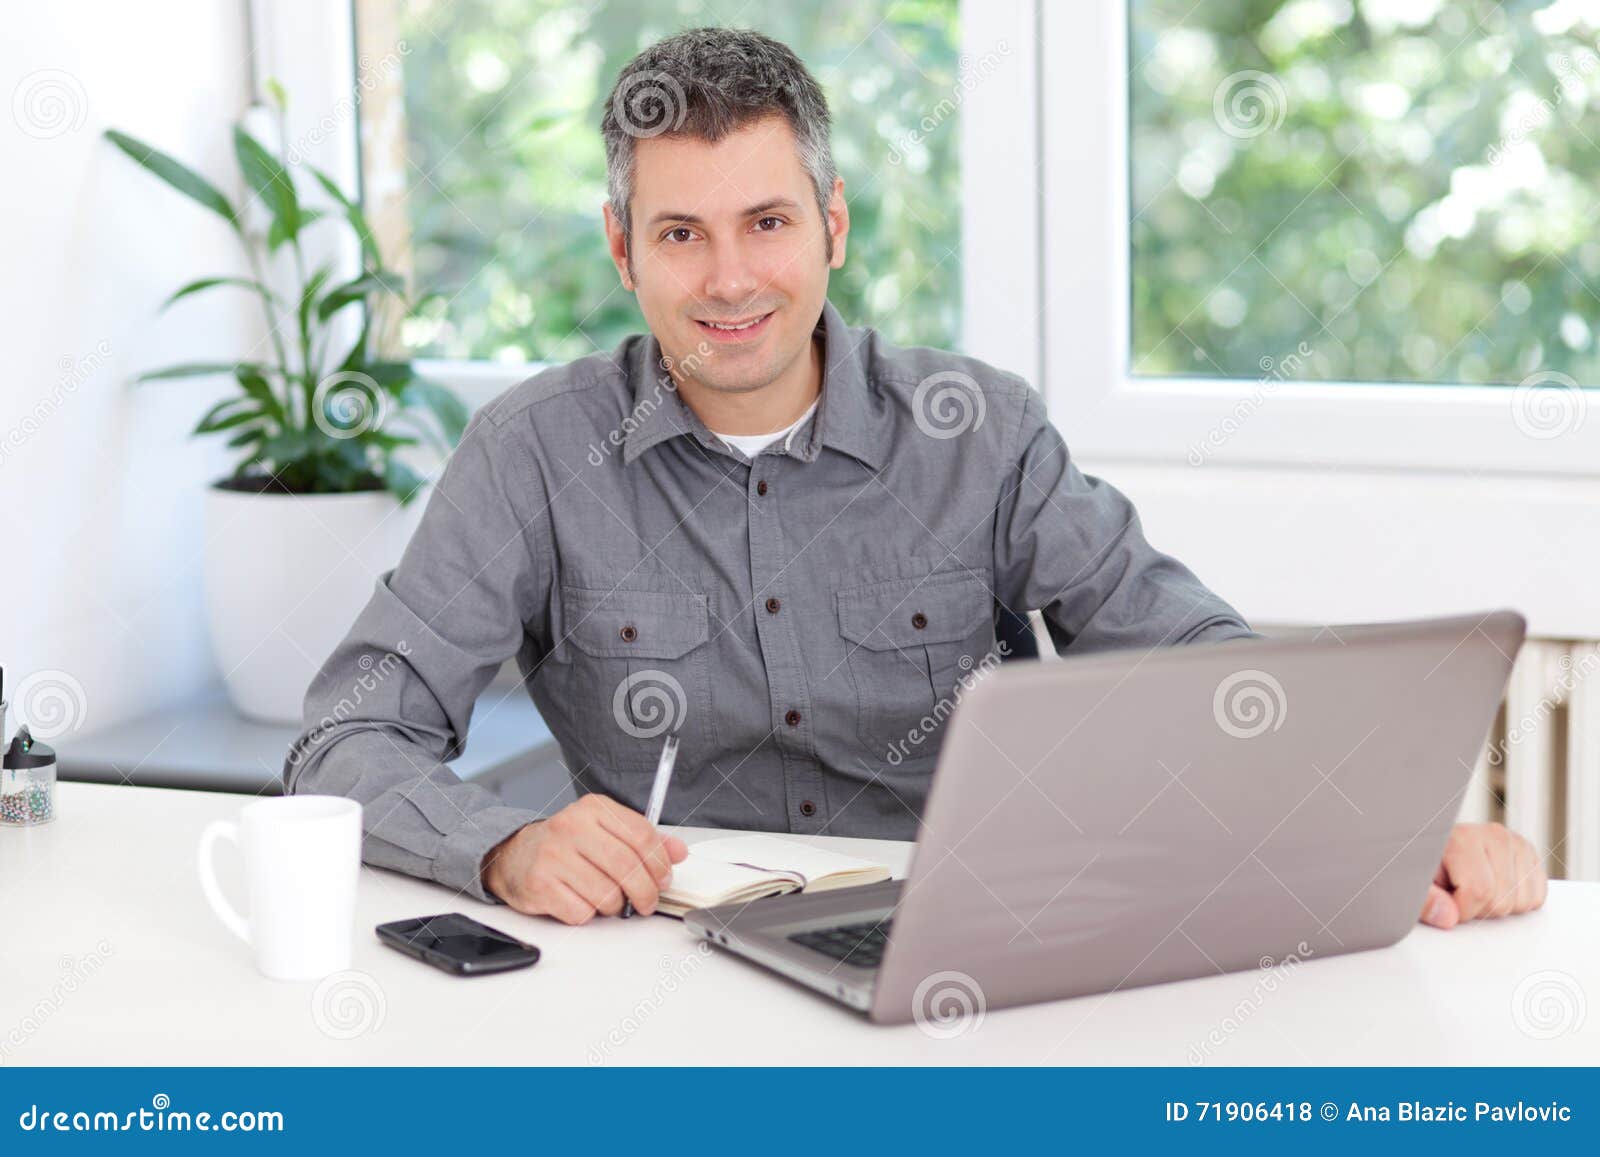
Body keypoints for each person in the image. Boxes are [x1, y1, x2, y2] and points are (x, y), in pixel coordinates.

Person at [284, 27, 1546, 930]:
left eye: (766, 223)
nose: (729, 279)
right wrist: (499, 845)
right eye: (681, 233)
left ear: (833, 225)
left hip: (963, 950)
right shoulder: (533, 450)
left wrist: (1389, 828)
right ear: (624, 249)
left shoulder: (978, 433)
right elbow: (346, 736)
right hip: (659, 965)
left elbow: (1199, 661)